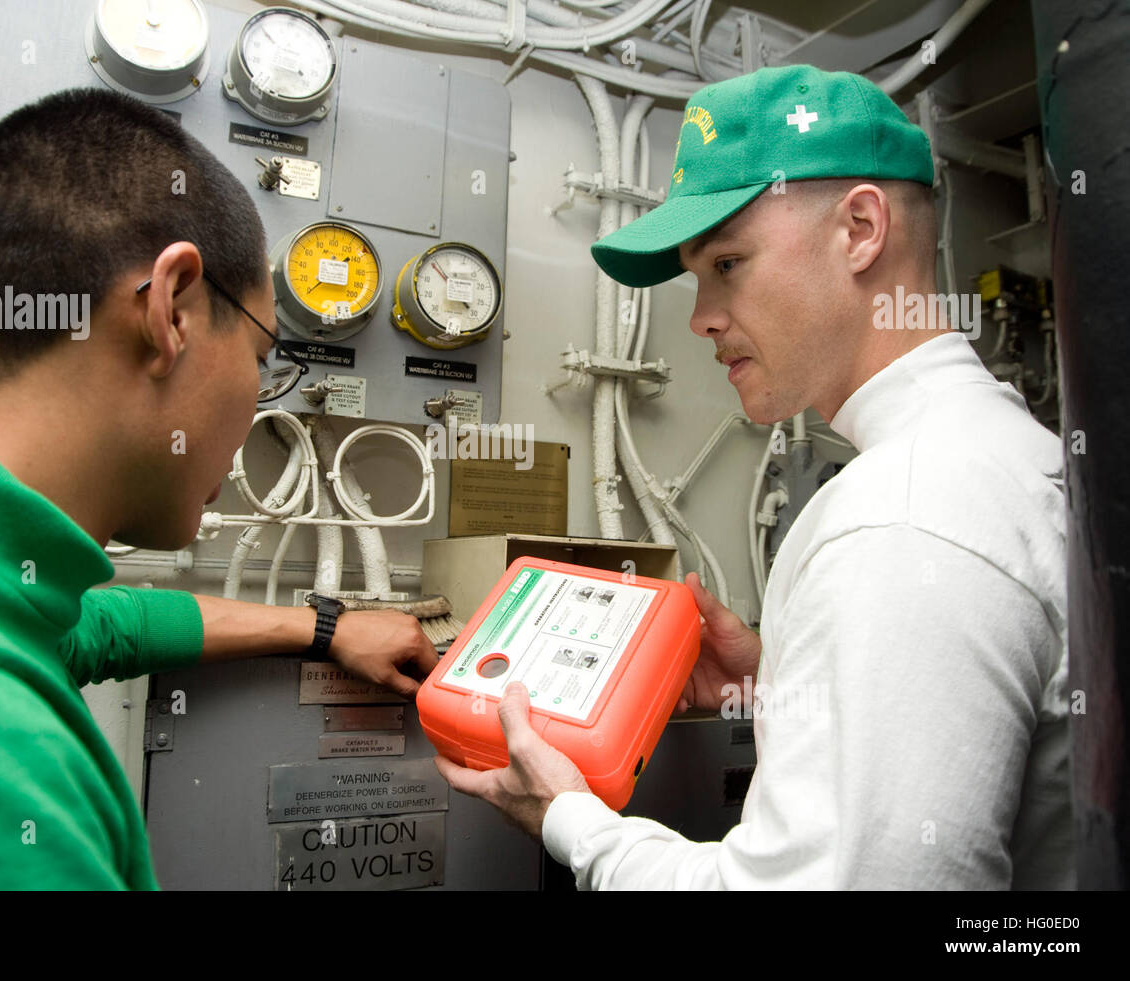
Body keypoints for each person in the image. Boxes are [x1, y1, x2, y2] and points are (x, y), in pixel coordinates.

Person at [436, 64, 1071, 889]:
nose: (700, 315)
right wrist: (782, 681)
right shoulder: (999, 455)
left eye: (727, 263)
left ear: (861, 229)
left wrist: (573, 822)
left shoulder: (903, 515)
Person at [0, 87, 438, 889]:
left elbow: (97, 625)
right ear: (172, 313)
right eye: (262, 361)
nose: (259, 401)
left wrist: (325, 628)